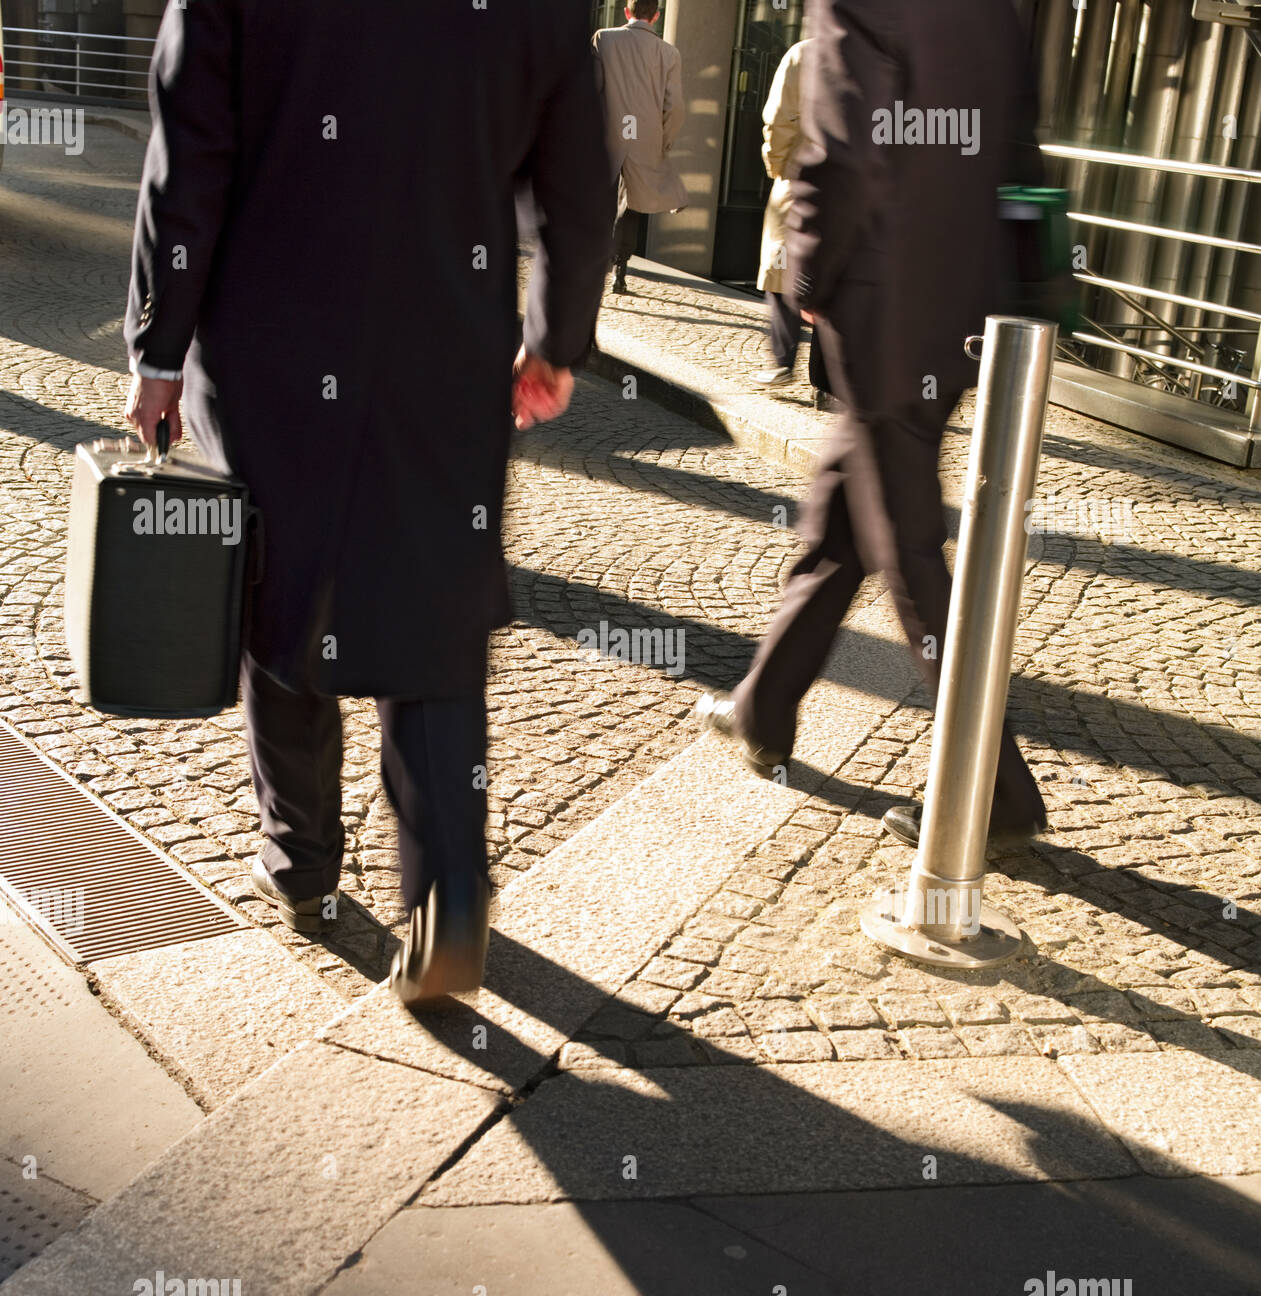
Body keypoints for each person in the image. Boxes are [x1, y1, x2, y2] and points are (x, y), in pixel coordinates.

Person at [123, 0, 613, 1003]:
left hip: (270, 336)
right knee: (433, 608)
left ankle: (299, 860)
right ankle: (451, 901)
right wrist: (557, 337)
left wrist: (158, 348)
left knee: (280, 587)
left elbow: (189, 157)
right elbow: (577, 178)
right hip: (444, 345)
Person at [701, 0, 1048, 848]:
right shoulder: (998, 16)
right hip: (960, 311)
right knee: (839, 521)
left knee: (907, 552)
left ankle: (993, 795)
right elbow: (1019, 159)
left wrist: (808, 281)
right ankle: (763, 706)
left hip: (882, 312)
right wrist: (1030, 295)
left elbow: (841, 154)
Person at [750, 36, 830, 408]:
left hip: (803, 178)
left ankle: (783, 358)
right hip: (858, 190)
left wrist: (777, 168)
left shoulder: (803, 54)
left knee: (783, 271)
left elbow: (779, 119)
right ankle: (827, 384)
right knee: (835, 282)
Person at [593, 2, 687, 296]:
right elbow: (675, 107)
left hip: (606, 134)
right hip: (644, 137)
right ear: (656, 15)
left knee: (600, 201)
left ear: (626, 12)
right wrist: (663, 142)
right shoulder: (669, 53)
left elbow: (590, 89)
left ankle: (594, 263)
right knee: (631, 206)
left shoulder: (603, 39)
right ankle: (620, 270)